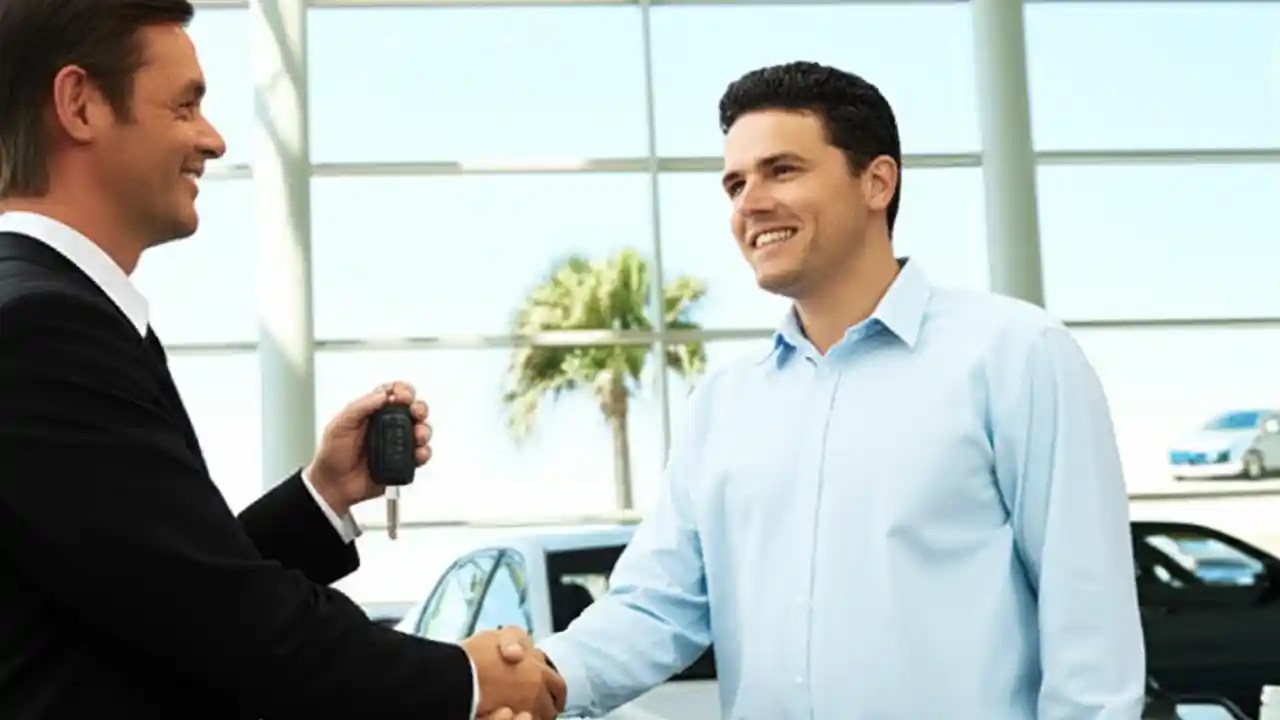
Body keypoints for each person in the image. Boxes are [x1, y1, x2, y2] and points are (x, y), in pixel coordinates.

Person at [516, 61, 1147, 719]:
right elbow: (661, 601)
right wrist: (549, 676)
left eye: (781, 170)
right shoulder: (725, 404)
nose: (749, 203)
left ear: (877, 182)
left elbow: (1090, 633)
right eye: (735, 183)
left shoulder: (1015, 355)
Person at [0, 1, 564, 718]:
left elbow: (159, 589)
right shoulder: (41, 327)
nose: (213, 139)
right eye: (186, 106)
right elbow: (221, 626)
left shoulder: (47, 312)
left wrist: (322, 495)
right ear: (79, 105)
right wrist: (469, 679)